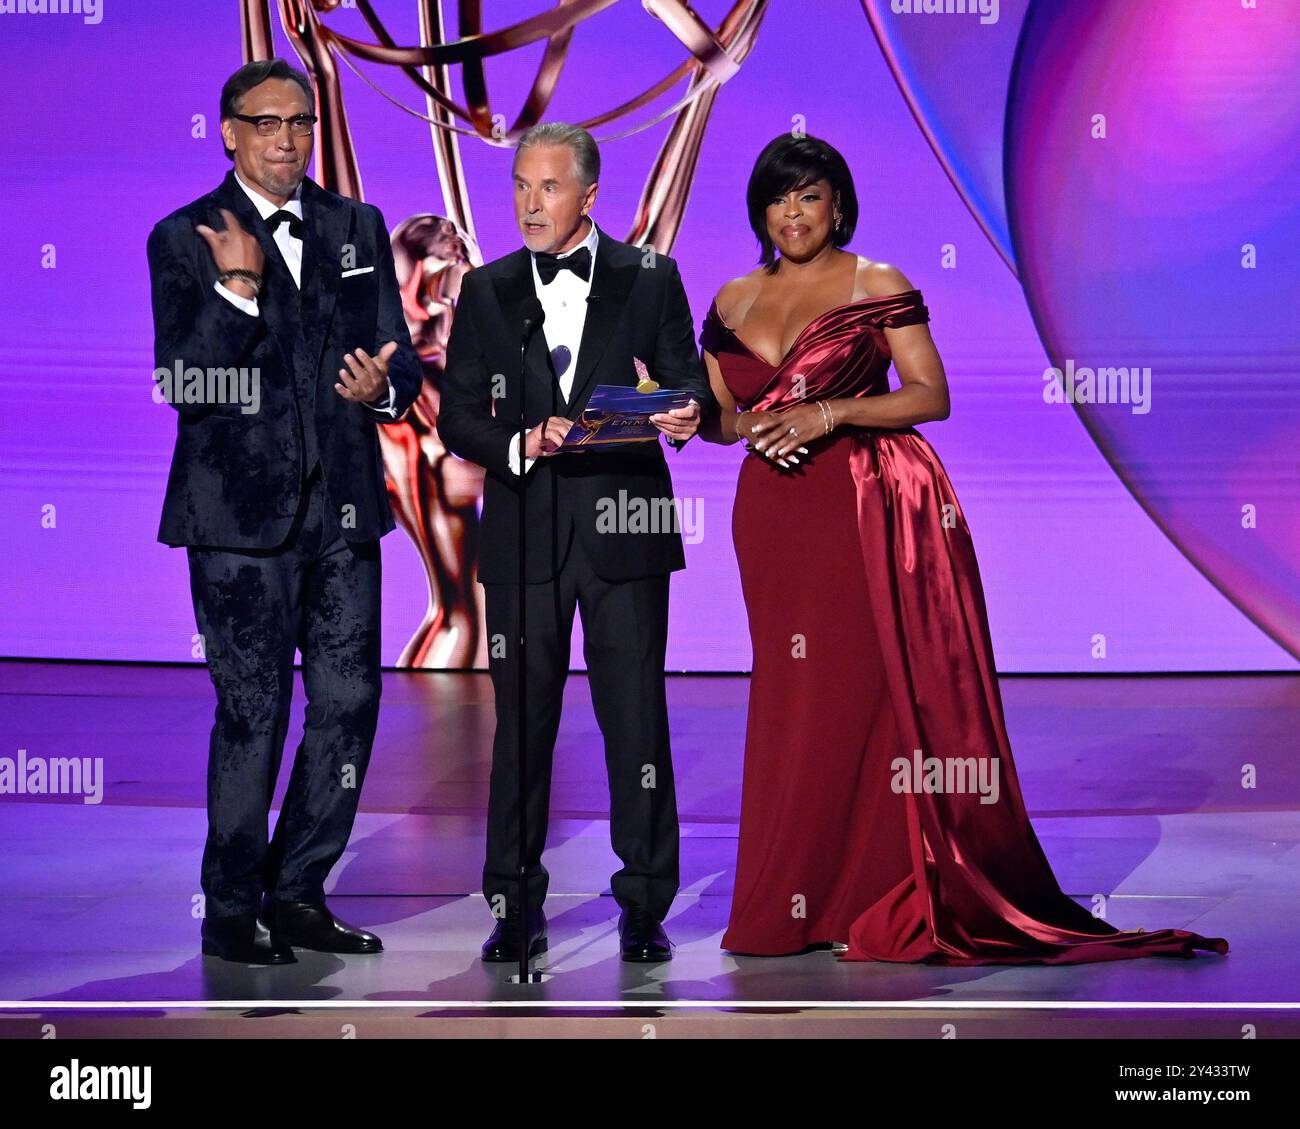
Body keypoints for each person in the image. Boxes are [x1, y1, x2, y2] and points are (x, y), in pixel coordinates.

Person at [697, 133, 1229, 964]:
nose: (793, 214)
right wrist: (739, 426)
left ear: (838, 203)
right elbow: (724, 417)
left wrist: (829, 413)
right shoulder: (730, 297)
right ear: (758, 210)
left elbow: (930, 394)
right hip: (772, 518)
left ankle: (877, 893)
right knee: (792, 701)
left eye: (809, 196)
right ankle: (793, 900)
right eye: (777, 198)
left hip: (865, 505)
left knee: (871, 697)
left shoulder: (877, 282)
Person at [148, 59, 422, 964]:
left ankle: (299, 888)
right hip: (237, 526)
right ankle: (231, 907)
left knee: (348, 703)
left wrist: (387, 390)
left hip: (343, 518)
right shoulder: (183, 236)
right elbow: (185, 383)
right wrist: (235, 291)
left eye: (300, 122)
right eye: (266, 123)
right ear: (227, 131)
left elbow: (402, 360)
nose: (287, 139)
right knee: (253, 712)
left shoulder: (357, 225)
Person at [438, 122, 710, 963]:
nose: (529, 203)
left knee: (636, 723)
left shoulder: (651, 277)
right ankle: (514, 903)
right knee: (521, 725)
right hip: (524, 537)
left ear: (589, 195)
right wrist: (521, 441)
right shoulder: (484, 290)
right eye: (520, 185)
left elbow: (686, 381)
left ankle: (643, 904)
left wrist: (683, 411)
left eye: (547, 188)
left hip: (627, 530)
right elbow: (457, 418)